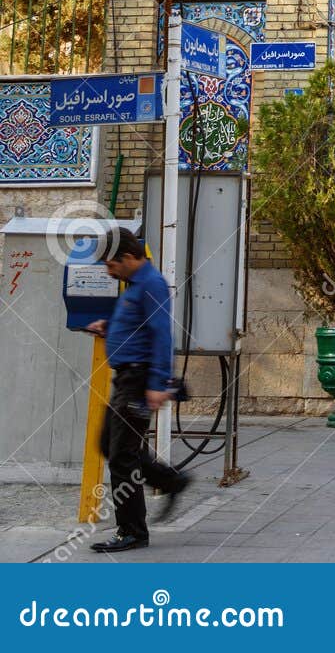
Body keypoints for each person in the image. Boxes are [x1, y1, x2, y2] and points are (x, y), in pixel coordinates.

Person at [85, 228, 188, 555]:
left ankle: (132, 531)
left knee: (122, 456)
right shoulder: (135, 285)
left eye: (111, 265)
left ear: (129, 258)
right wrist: (109, 326)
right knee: (109, 444)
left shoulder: (152, 284)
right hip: (126, 380)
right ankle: (170, 480)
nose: (108, 271)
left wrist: (158, 383)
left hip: (139, 380)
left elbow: (161, 335)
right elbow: (140, 326)